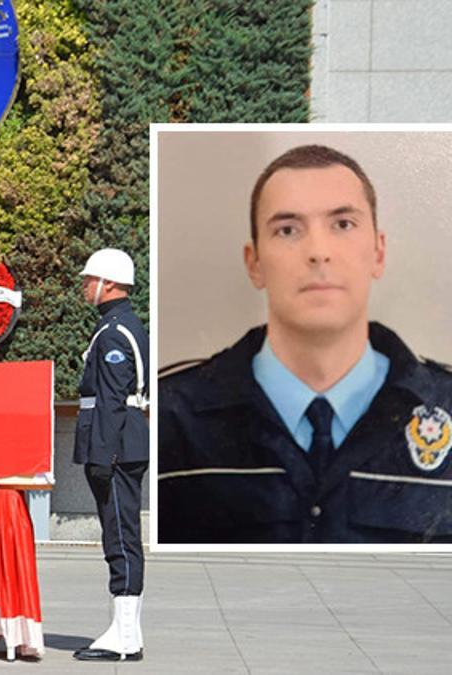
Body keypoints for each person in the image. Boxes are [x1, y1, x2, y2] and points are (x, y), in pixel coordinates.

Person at [159, 144, 452, 543]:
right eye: (288, 230)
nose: (318, 252)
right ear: (255, 263)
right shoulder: (174, 419)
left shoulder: (445, 406)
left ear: (378, 252)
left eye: (343, 224)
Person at [71, 248, 149, 662]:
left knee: (120, 538)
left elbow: (112, 400)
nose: (85, 285)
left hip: (116, 447)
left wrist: (102, 455)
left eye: (90, 278)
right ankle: (128, 634)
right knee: (121, 535)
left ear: (110, 283)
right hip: (120, 444)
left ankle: (123, 636)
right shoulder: (122, 326)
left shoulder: (115, 332)